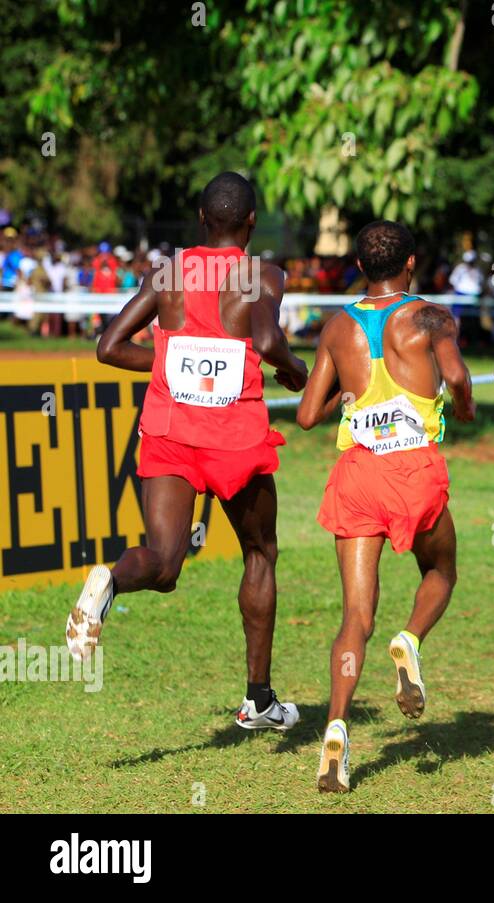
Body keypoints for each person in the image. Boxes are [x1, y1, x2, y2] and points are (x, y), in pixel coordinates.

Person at [65, 172, 308, 729]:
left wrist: (173, 363)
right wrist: (295, 372)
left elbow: (108, 346)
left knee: (166, 561)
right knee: (259, 553)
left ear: (202, 219)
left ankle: (110, 579)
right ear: (251, 222)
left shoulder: (170, 271)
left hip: (171, 430)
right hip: (233, 437)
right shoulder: (261, 273)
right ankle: (260, 700)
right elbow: (269, 342)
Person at [296, 220, 474, 793]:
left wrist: (342, 398)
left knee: (355, 617)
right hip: (414, 470)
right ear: (411, 264)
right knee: (441, 569)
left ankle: (338, 729)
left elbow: (304, 415)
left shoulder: (338, 326)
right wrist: (464, 406)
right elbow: (456, 375)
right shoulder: (429, 317)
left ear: (359, 267)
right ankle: (412, 641)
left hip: (357, 474)